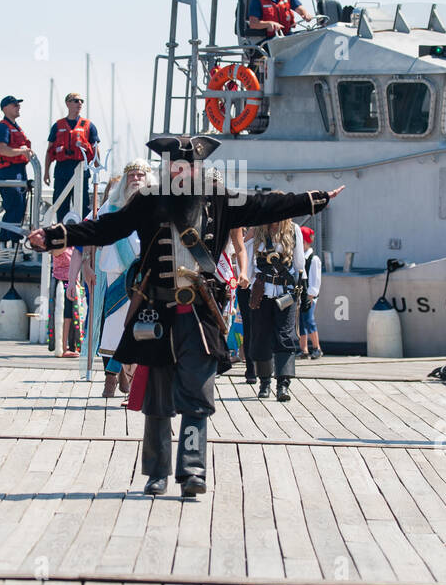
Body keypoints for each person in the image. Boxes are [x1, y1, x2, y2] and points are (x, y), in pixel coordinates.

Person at [27, 134, 343, 497]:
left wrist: (313, 199)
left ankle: (192, 471)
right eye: (175, 165)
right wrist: (56, 236)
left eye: (189, 164)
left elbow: (266, 205)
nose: (182, 170)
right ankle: (157, 474)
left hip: (201, 313)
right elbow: (106, 228)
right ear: (167, 167)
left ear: (198, 167)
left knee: (197, 394)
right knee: (157, 398)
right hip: (155, 310)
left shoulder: (221, 199)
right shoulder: (147, 200)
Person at [94, 160, 153, 397]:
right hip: (118, 272)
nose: (136, 179)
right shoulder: (110, 207)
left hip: (146, 274)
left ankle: (131, 378)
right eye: (132, 175)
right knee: (113, 326)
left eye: (140, 175)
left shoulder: (157, 205)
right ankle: (111, 378)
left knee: (141, 327)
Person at [243, 212, 305, 401]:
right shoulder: (257, 230)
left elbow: (299, 262)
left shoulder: (293, 230)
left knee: (285, 336)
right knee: (261, 335)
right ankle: (264, 382)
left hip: (285, 291)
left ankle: (283, 384)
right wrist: (248, 281)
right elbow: (247, 257)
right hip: (262, 290)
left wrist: (303, 288)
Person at [44, 92, 100, 219]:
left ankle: (82, 234)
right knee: (60, 205)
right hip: (62, 170)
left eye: (81, 101)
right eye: (75, 100)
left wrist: (97, 167)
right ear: (67, 103)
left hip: (81, 168)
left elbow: (96, 147)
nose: (79, 103)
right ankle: (60, 233)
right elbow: (49, 151)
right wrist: (46, 172)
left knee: (82, 205)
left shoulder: (88, 126)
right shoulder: (57, 126)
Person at [0, 95, 34, 246]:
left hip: (19, 171)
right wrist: (22, 152)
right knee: (13, 205)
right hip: (8, 172)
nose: (18, 106)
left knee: (20, 206)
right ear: (5, 108)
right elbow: (3, 150)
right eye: (14, 104)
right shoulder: (3, 127)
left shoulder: (16, 128)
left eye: (18, 104)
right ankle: (5, 241)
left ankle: (13, 241)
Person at [297, 225, 323, 359]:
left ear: (306, 242)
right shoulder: (301, 258)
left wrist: (311, 295)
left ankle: (317, 347)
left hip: (309, 295)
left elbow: (315, 280)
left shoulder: (314, 259)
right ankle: (304, 349)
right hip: (302, 295)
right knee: (301, 321)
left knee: (309, 320)